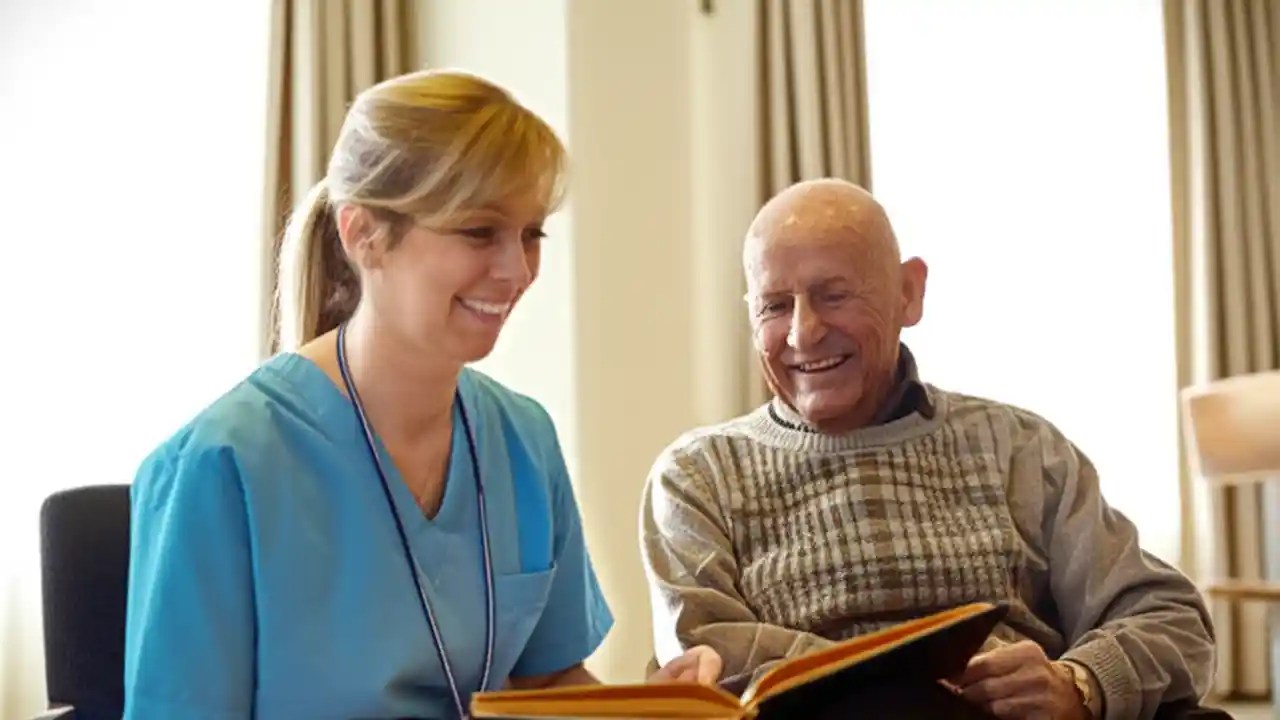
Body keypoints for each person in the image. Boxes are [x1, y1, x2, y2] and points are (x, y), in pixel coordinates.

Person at [123, 69, 720, 720]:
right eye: (479, 232)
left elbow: (547, 686)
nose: (517, 271)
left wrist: (664, 705)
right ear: (363, 234)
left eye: (531, 234)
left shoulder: (521, 438)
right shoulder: (219, 467)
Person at [640, 179, 1215, 720]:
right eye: (775, 306)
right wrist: (909, 686)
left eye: (833, 295)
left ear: (908, 294)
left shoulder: (1021, 449)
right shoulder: (697, 476)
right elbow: (705, 651)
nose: (803, 333)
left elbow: (1171, 619)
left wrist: (1079, 684)